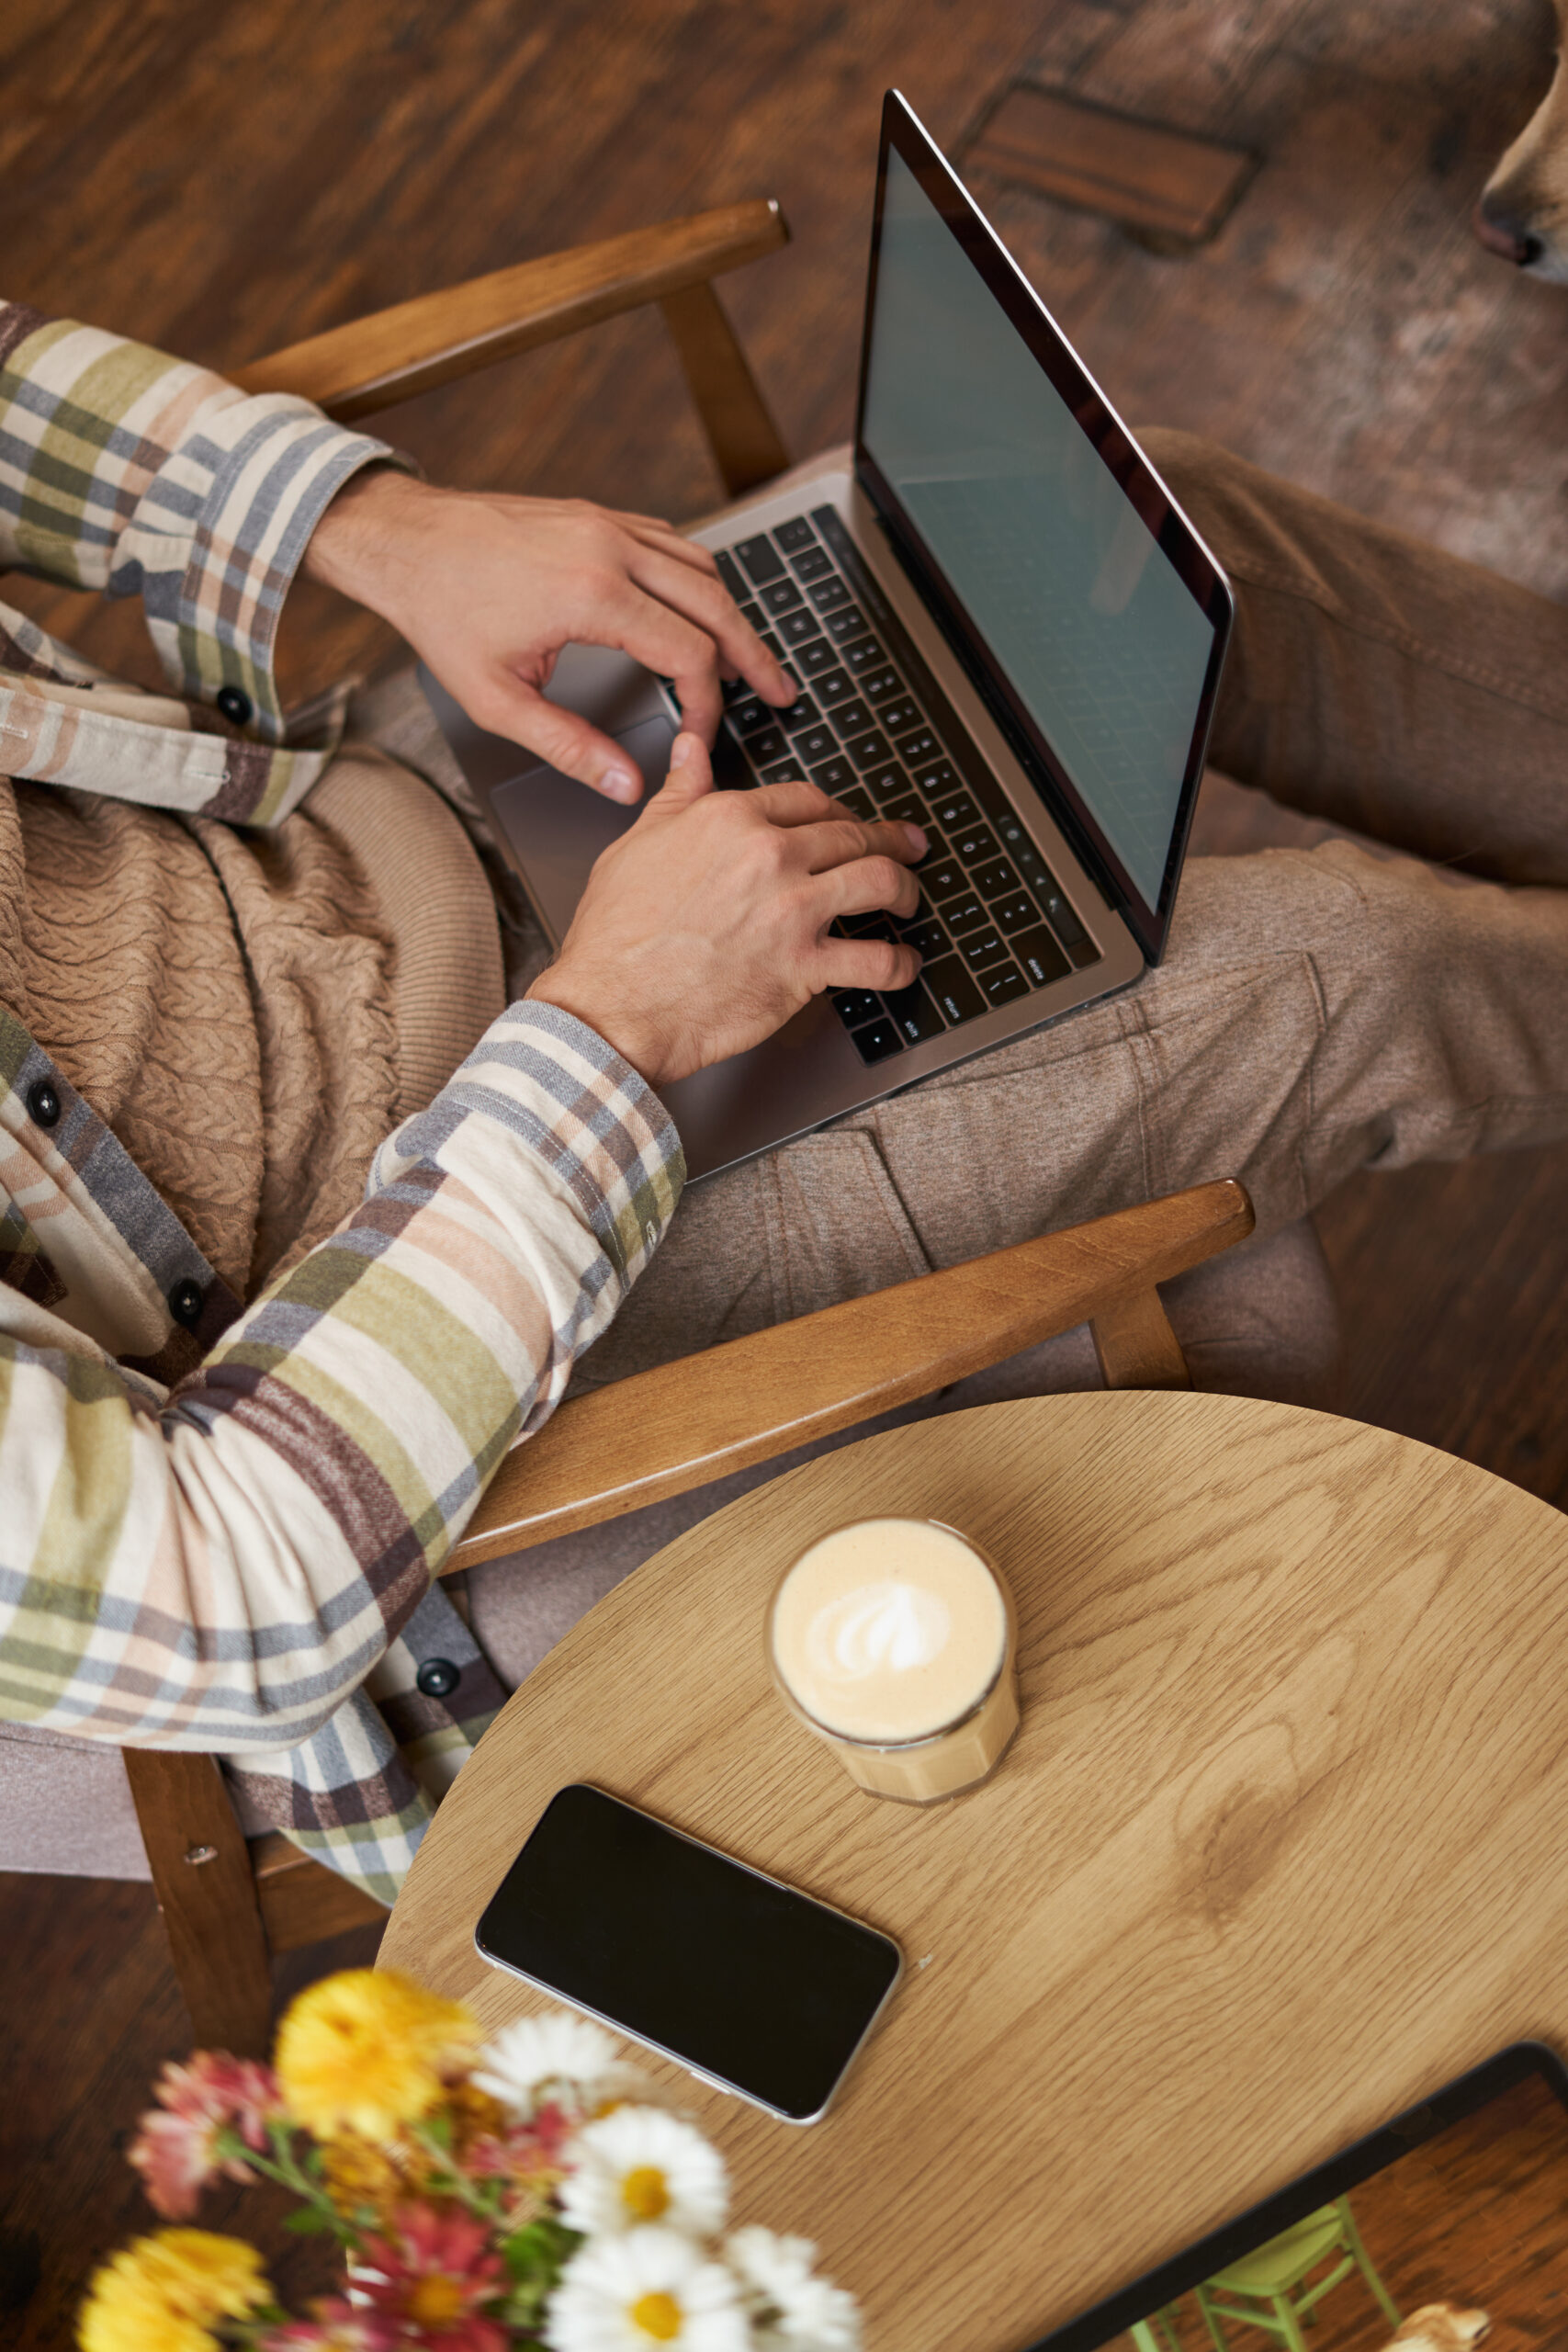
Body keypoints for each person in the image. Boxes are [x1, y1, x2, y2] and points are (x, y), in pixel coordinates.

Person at [3, 301, 1566, 1900]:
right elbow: (227, 1583)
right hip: (433, 1312)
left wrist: (370, 521)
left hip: (355, 835)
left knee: (1138, 530)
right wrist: (616, 1019)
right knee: (1344, 968)